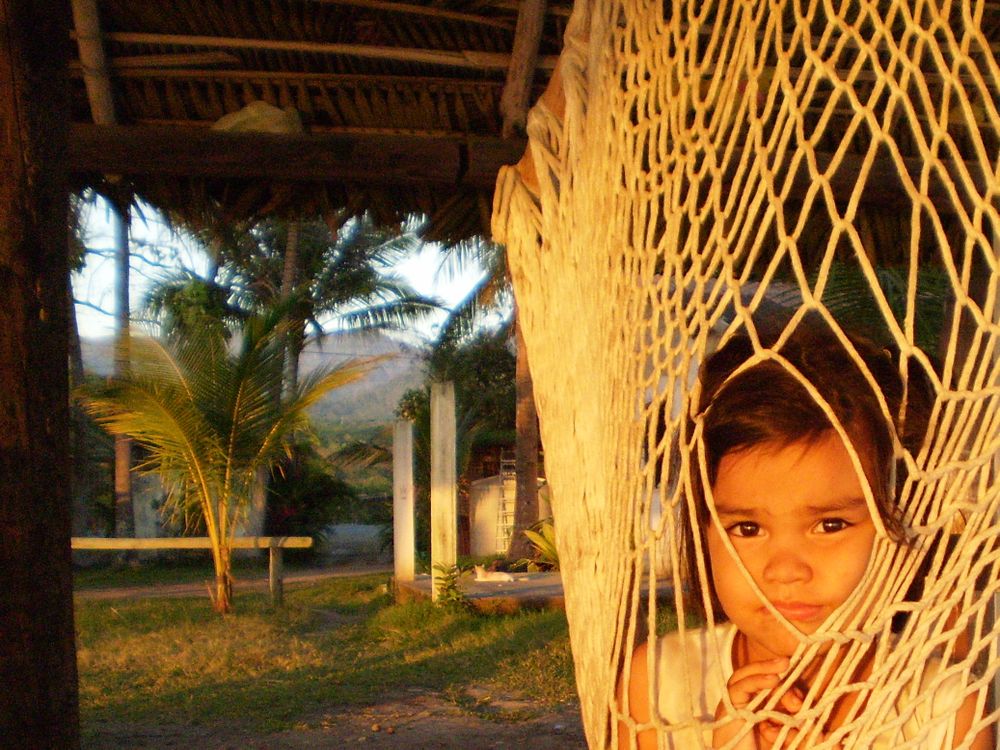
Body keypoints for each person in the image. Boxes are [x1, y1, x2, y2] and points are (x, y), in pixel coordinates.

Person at [617, 321, 991, 749]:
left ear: (900, 525)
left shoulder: (940, 711)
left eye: (830, 525)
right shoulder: (659, 688)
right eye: (747, 528)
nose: (786, 570)